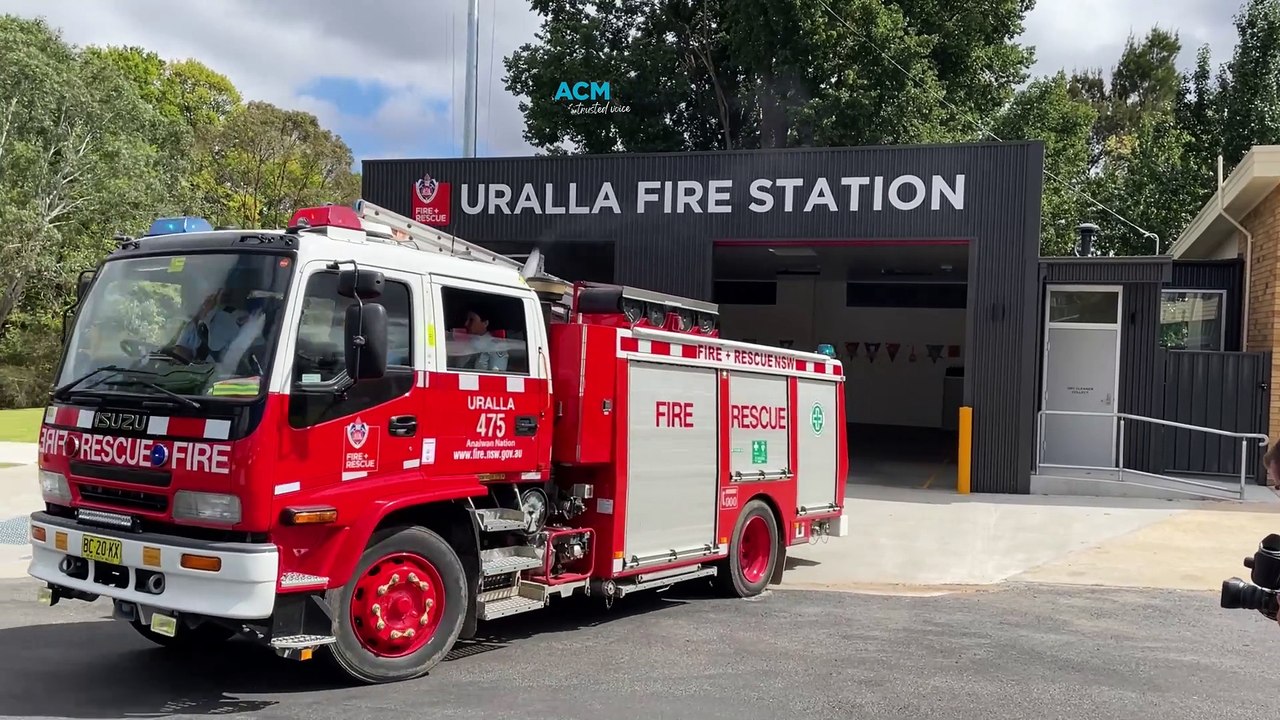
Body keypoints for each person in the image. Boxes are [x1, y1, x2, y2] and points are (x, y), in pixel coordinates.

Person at [459, 308, 508, 372]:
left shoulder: (496, 347)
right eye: (466, 320)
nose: (466, 324)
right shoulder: (468, 345)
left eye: (471, 320)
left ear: (485, 323)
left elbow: (496, 378)